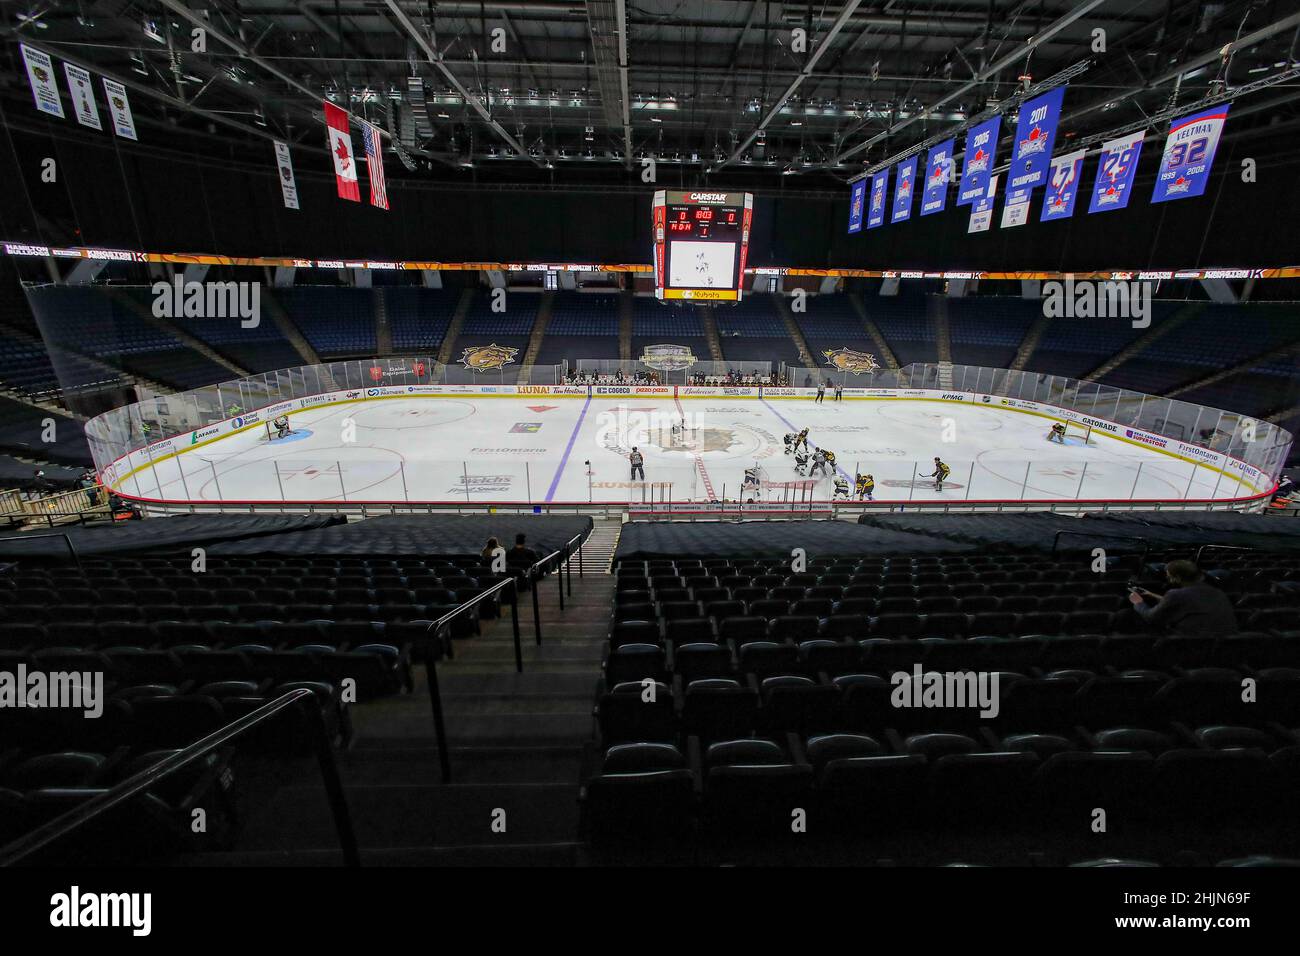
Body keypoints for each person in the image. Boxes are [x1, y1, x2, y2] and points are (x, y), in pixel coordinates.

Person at [1127, 559, 1238, 637]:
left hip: (1189, 642)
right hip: (1219, 640)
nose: (1167, 578)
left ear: (1178, 578)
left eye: (1169, 576)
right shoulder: (1218, 592)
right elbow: (1191, 602)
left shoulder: (1175, 594)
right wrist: (1152, 595)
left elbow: (1151, 617)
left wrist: (1138, 602)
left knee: (1130, 614)